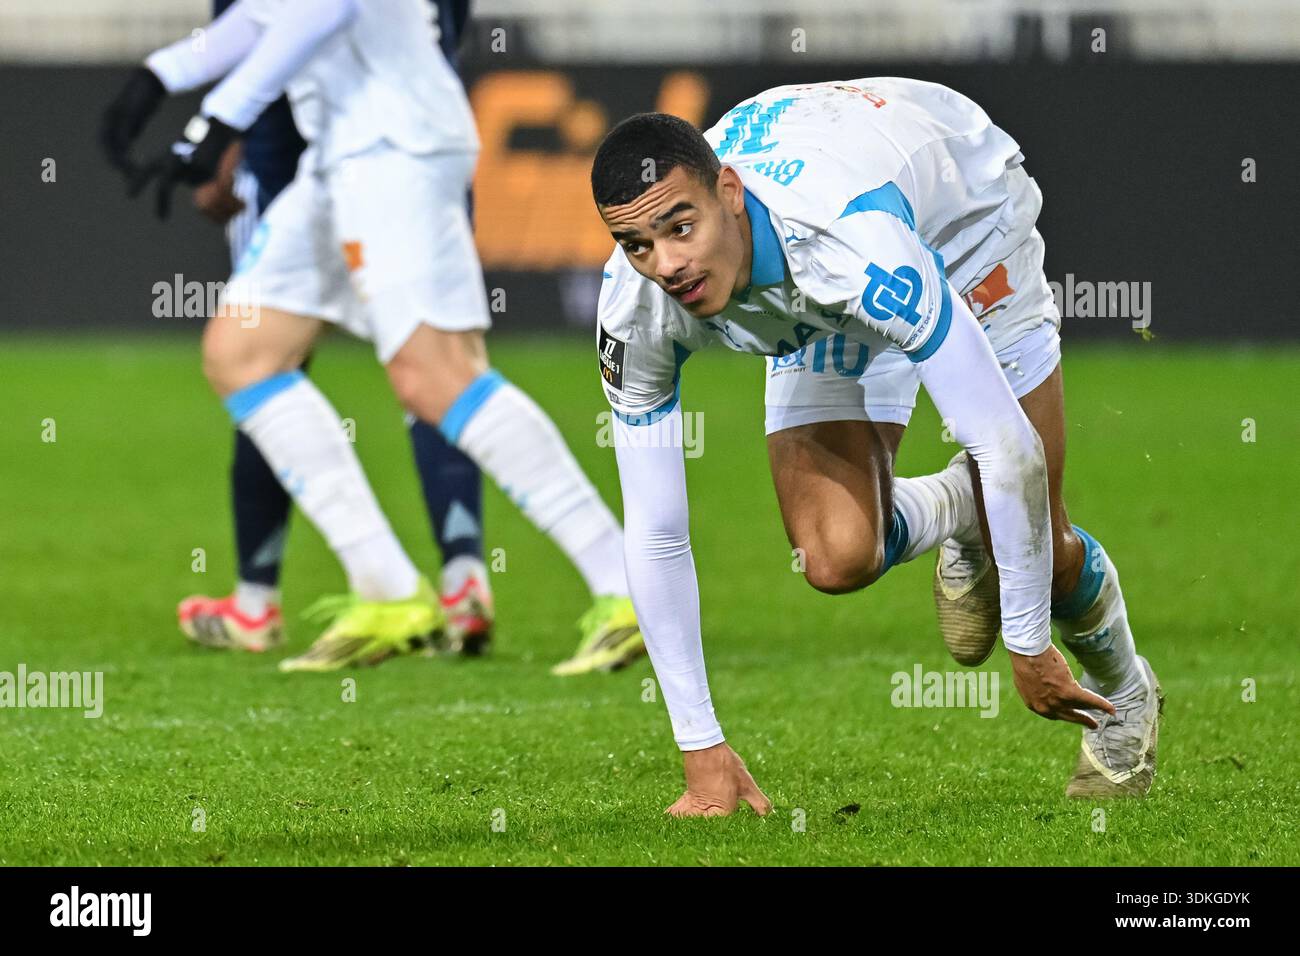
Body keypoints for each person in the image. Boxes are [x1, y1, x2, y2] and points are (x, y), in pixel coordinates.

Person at [589, 78, 1161, 816]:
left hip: (963, 230)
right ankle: (966, 507)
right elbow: (658, 532)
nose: (666, 265)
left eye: (680, 227)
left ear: (728, 191)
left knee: (1036, 545)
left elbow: (1004, 441)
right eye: (636, 244)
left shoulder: (852, 245)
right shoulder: (635, 310)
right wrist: (701, 750)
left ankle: (1128, 698)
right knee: (834, 555)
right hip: (822, 289)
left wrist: (1027, 644)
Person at [99, 0, 645, 675]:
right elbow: (271, 12)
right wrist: (157, 77)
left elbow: (328, 7)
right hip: (343, 153)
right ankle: (386, 588)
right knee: (244, 352)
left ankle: (628, 588)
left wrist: (220, 116)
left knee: (437, 376)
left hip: (394, 147)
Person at [173, 0, 495, 659]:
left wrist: (223, 126)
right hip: (416, 130)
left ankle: (255, 602)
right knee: (438, 360)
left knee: (260, 360)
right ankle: (463, 582)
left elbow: (264, 20)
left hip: (296, 143)